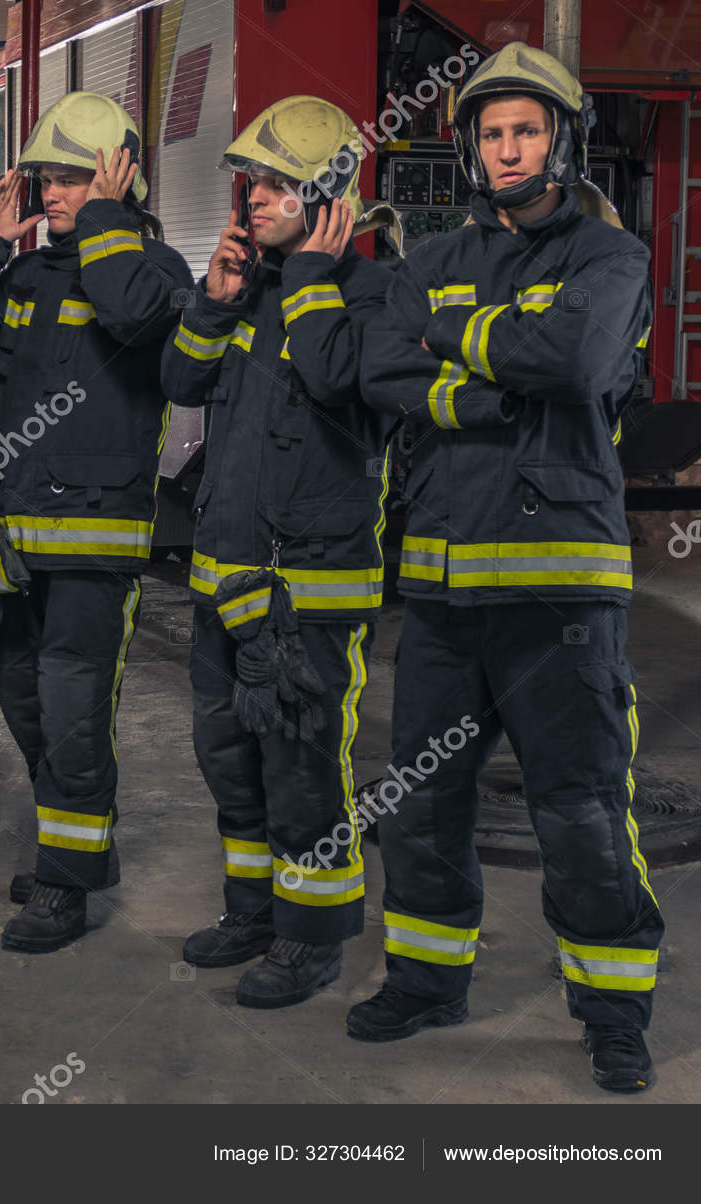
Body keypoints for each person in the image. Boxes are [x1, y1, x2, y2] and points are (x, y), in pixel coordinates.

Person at [354, 42, 660, 1092]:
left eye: (527, 129)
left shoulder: (611, 258)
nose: (509, 148)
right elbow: (384, 369)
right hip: (444, 594)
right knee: (421, 801)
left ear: (562, 141)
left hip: (559, 595)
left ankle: (613, 1012)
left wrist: (454, 336)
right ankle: (425, 980)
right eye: (492, 133)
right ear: (470, 149)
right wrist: (495, 382)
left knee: (578, 809)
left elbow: (578, 360)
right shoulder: (433, 258)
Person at [0, 91, 191, 953]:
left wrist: (107, 222)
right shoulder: (30, 275)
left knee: (75, 711)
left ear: (120, 179)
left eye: (72, 178)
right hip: (22, 538)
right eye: (46, 177)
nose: (51, 192)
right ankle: (73, 845)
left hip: (95, 548)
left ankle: (67, 883)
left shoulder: (156, 270)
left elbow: (132, 315)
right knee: (21, 694)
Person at [159, 97, 398, 1007]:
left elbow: (337, 381)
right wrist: (213, 301)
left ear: (329, 195)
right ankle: (254, 910)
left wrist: (307, 277)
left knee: (303, 768)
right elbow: (181, 383)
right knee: (227, 754)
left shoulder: (374, 293)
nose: (252, 196)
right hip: (226, 581)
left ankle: (313, 935)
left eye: (275, 183)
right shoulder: (246, 286)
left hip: (310, 592)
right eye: (249, 182)